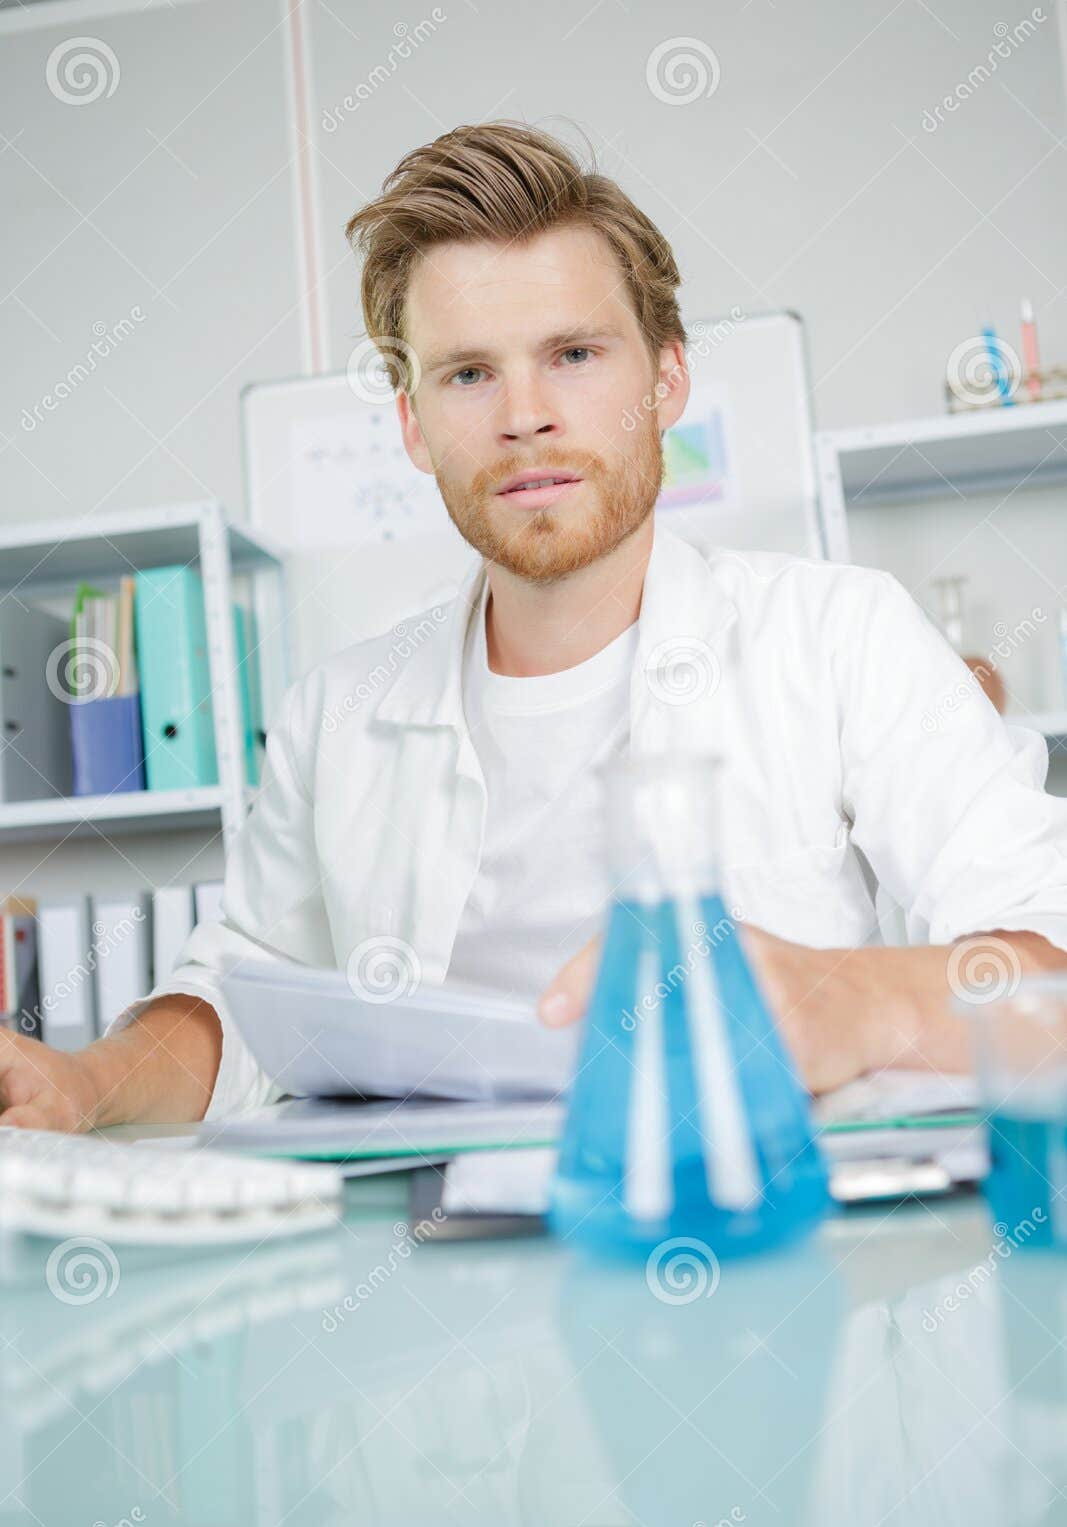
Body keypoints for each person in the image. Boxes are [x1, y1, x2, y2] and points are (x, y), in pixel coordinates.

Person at [4, 120, 1066, 1132]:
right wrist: (87, 1082)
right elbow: (236, 999)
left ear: (665, 378)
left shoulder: (841, 637)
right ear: (414, 424)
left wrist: (854, 1001)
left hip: (761, 1253)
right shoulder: (336, 715)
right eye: (469, 373)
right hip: (434, 1284)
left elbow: (1047, 968)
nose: (523, 414)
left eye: (572, 354)